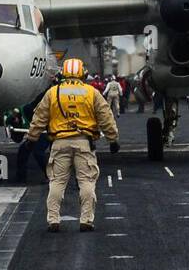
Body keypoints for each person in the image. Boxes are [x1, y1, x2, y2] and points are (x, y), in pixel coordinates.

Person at [25, 57, 119, 232]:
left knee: (57, 182)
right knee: (86, 182)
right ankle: (86, 220)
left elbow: (39, 118)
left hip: (59, 143)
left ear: (63, 73)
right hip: (84, 143)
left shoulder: (53, 92)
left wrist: (31, 139)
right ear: (83, 74)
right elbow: (106, 117)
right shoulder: (92, 93)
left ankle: (53, 220)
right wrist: (113, 140)